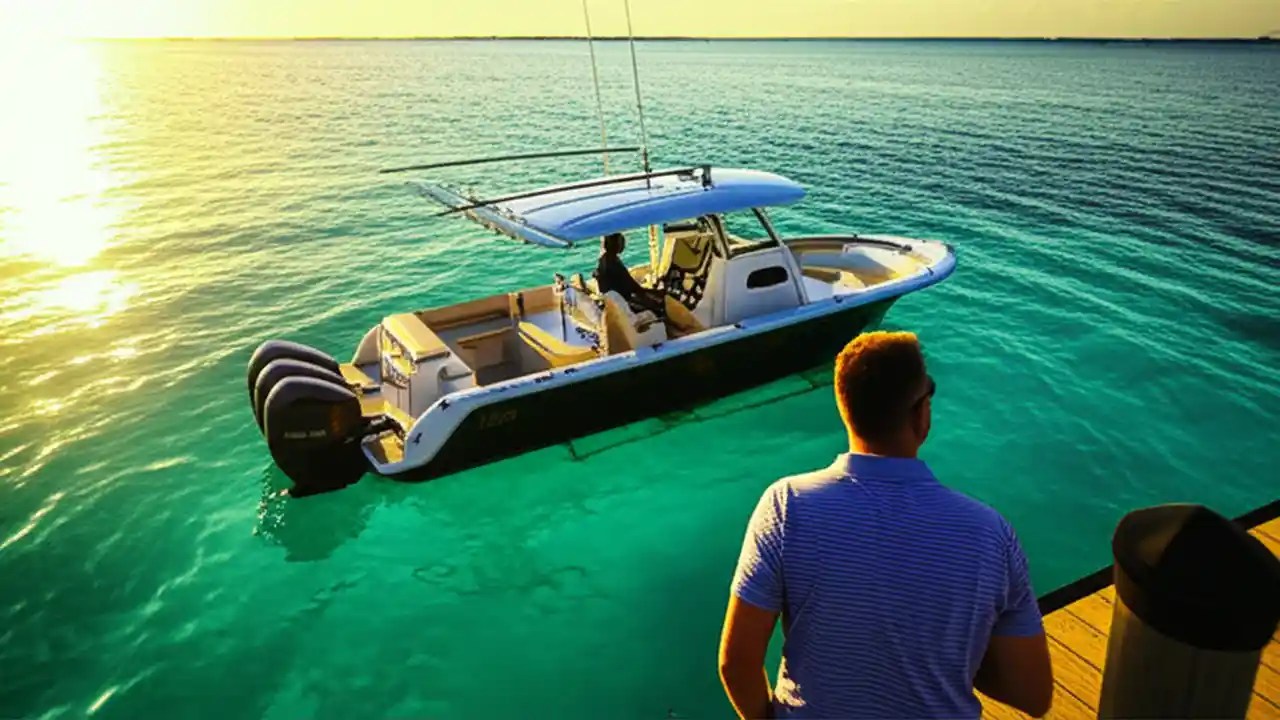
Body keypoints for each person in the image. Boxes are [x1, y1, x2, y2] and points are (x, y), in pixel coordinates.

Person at [718, 331, 1054, 719]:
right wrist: (950, 652)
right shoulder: (990, 534)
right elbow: (1031, 693)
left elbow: (736, 664)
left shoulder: (786, 507)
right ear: (921, 414)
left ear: (845, 409)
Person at [594, 232, 665, 316]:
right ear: (614, 243)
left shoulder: (606, 259)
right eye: (621, 241)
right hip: (622, 302)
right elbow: (634, 288)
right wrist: (656, 293)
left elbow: (632, 286)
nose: (624, 243)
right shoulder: (612, 263)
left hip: (616, 300)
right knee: (657, 310)